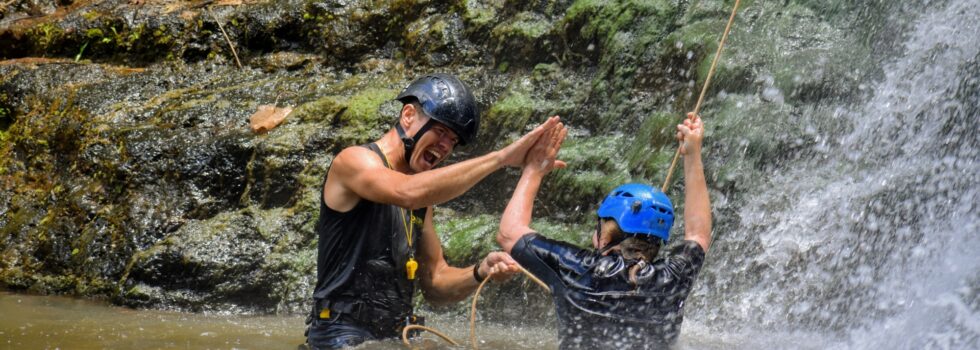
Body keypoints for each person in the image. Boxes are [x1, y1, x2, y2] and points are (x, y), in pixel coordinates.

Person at [306, 73, 562, 349]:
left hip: (395, 335)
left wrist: (480, 270)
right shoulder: (354, 161)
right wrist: (501, 158)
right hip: (339, 333)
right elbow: (407, 192)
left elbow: (435, 282)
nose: (445, 146)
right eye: (441, 131)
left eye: (453, 141)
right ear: (408, 115)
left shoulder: (421, 203)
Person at [496, 113, 711, 349]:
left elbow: (509, 233)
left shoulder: (577, 269)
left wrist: (534, 170)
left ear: (606, 233)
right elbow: (698, 234)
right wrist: (693, 154)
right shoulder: (672, 278)